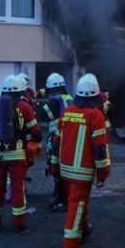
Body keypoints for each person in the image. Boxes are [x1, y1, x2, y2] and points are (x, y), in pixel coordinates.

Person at [49, 73, 111, 248]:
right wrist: (103, 173)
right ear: (94, 96)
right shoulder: (96, 115)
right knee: (75, 209)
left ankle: (84, 229)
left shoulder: (67, 113)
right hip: (82, 174)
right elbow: (100, 149)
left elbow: (55, 143)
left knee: (79, 203)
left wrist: (54, 167)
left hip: (65, 171)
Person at [0, 74, 42, 233]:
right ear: (20, 91)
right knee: (17, 189)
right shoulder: (25, 108)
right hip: (17, 156)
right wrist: (26, 137)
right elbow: (37, 134)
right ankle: (19, 224)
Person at [41, 72, 74, 212]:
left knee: (55, 166)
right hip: (69, 137)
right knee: (64, 167)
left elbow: (43, 115)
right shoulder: (70, 98)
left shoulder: (54, 101)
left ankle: (60, 199)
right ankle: (62, 196)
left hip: (56, 137)